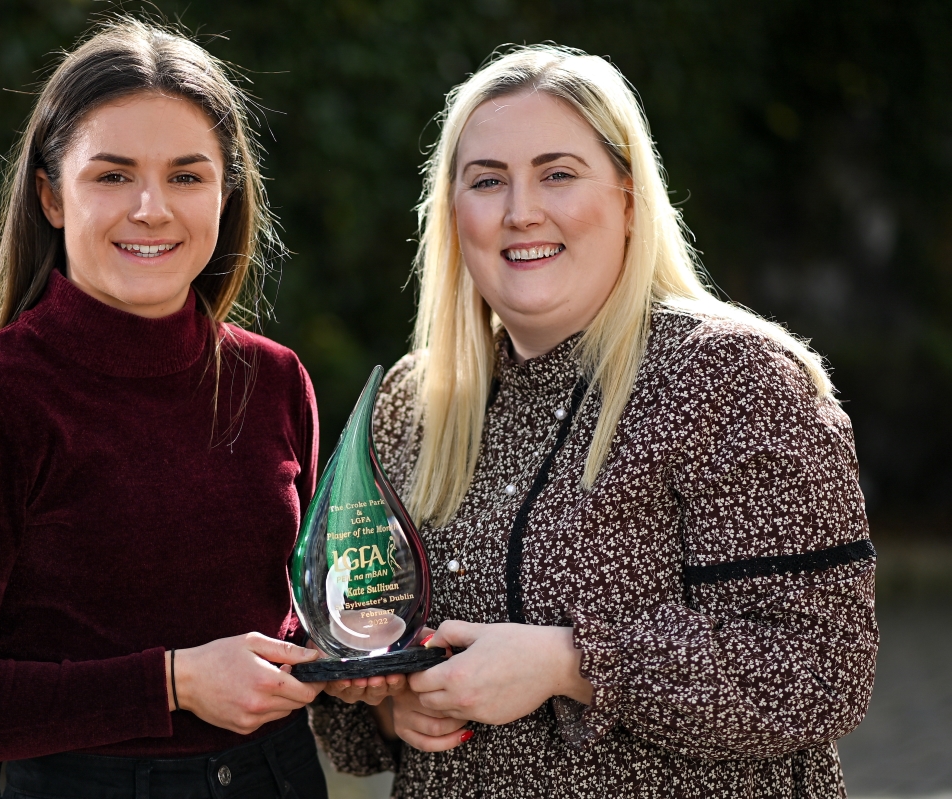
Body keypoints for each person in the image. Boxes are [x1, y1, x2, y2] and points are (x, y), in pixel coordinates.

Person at [311, 44, 876, 798]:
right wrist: (391, 700)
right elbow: (356, 691)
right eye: (487, 181)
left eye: (558, 173)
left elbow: (821, 667)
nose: (521, 211)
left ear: (628, 196)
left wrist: (569, 663)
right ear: (452, 212)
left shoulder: (733, 378)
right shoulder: (413, 406)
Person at [0, 19, 329, 799]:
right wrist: (173, 683)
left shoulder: (275, 380)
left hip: (279, 775)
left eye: (187, 176)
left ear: (227, 193)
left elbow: (293, 615)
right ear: (51, 195)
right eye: (112, 175)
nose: (151, 208)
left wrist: (360, 659)